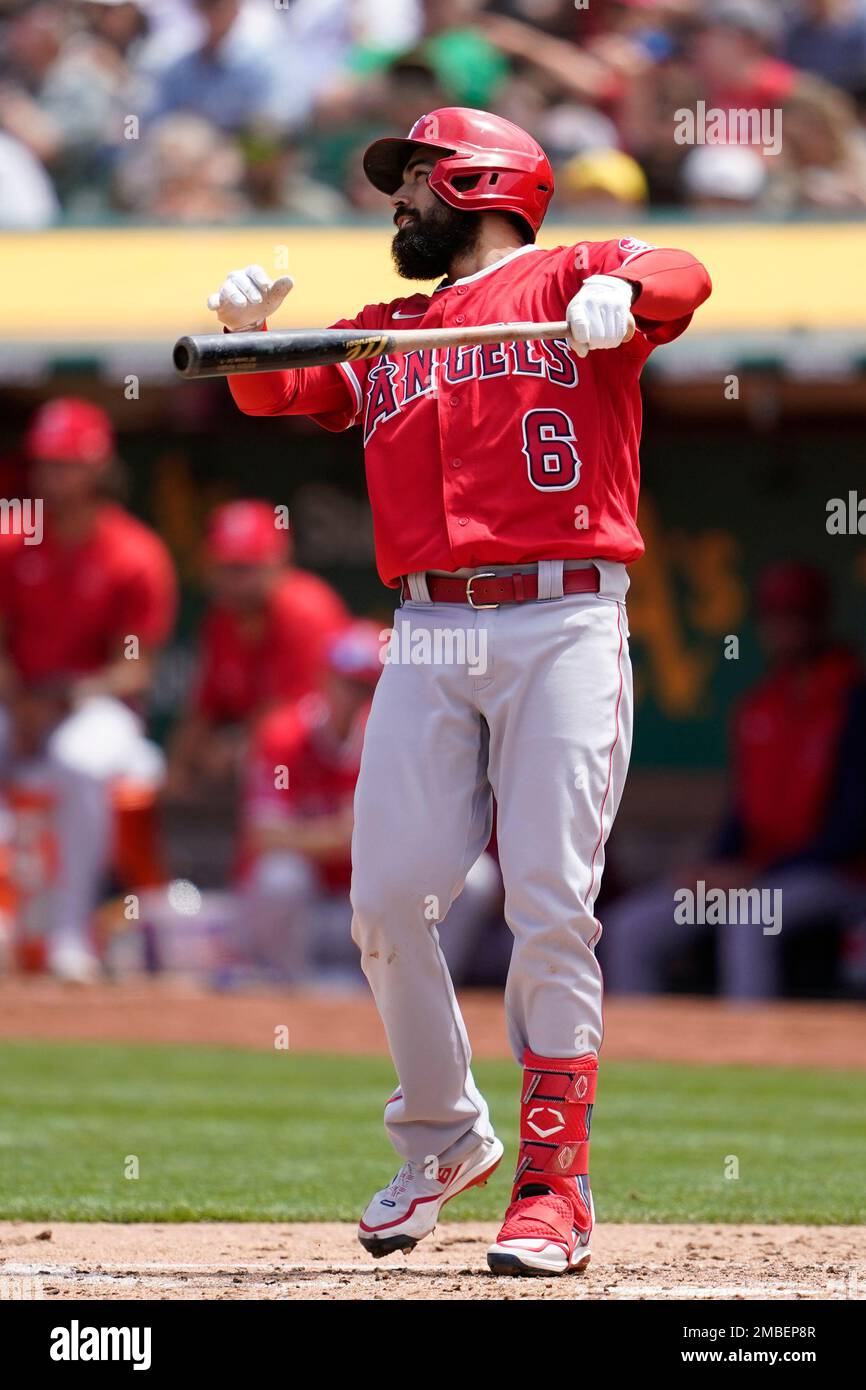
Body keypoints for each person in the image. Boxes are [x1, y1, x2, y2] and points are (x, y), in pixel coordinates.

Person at [207, 107, 710, 1277]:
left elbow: (679, 271)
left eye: (416, 179)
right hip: (430, 625)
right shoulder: (393, 327)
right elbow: (285, 392)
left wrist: (623, 300)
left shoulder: (572, 275)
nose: (399, 202)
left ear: (480, 181)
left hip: (564, 613)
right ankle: (443, 1134)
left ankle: (552, 1183)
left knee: (546, 897)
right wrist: (241, 338)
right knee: (386, 900)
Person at [602, 562, 866, 999]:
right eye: (776, 616)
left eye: (796, 615)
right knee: (631, 930)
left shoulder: (853, 700)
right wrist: (712, 866)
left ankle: (751, 1058)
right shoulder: (760, 705)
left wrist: (752, 872)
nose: (784, 628)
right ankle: (641, 1057)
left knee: (749, 918)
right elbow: (742, 816)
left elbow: (852, 829)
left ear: (819, 618)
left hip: (838, 878)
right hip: (761, 872)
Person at [0, 398, 176, 982]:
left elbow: (136, 669)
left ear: (97, 468)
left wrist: (59, 699)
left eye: (67, 463)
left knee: (76, 760)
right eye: (46, 462)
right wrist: (20, 701)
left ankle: (69, 935)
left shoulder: (133, 552)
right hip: (20, 703)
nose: (52, 475)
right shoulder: (13, 539)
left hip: (99, 711)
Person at [239, 619, 501, 984]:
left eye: (371, 686)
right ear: (325, 679)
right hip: (314, 916)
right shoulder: (285, 735)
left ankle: (424, 991)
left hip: (385, 912)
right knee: (279, 878)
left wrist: (363, 833)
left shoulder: (408, 740)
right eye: (351, 684)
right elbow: (263, 835)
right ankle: (290, 994)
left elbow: (438, 835)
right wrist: (344, 835)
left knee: (476, 877)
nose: (360, 698)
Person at [166, 499, 348, 800]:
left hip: (329, 762)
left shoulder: (305, 610)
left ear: (277, 561)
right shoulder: (223, 619)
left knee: (259, 749)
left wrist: (235, 747)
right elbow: (204, 707)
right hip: (263, 748)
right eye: (224, 568)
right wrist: (175, 766)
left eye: (244, 569)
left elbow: (306, 716)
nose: (232, 582)